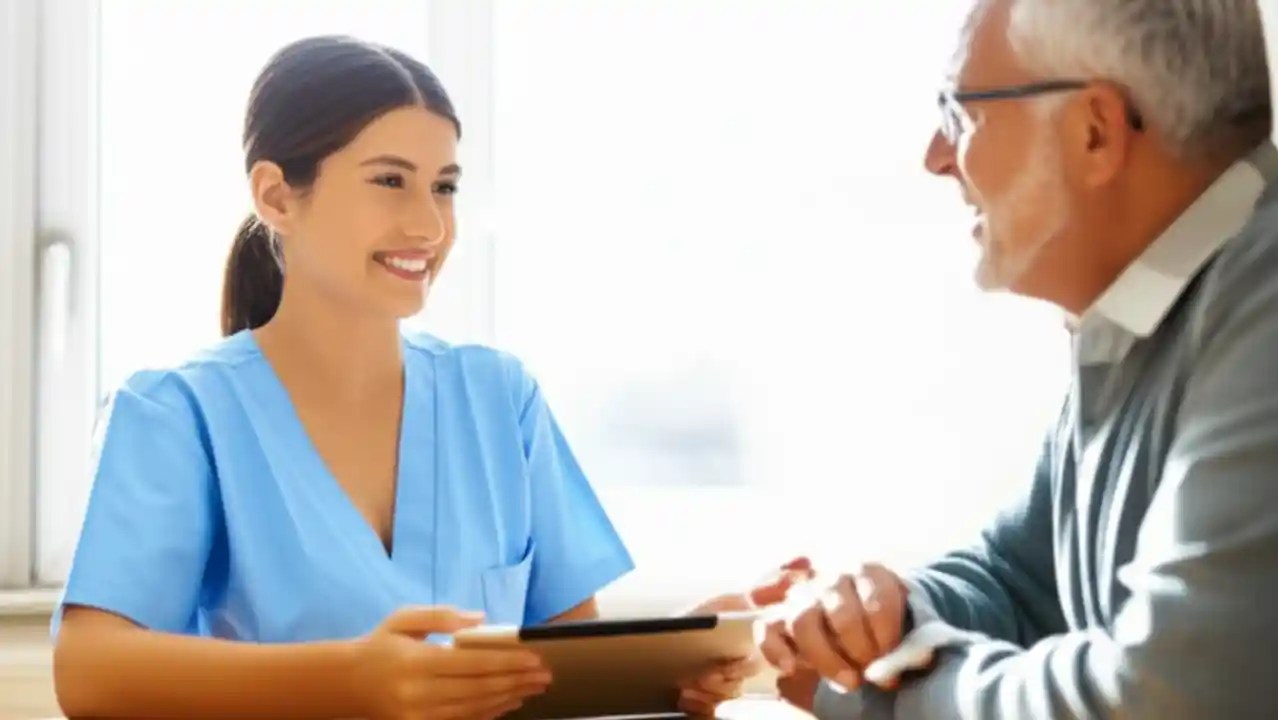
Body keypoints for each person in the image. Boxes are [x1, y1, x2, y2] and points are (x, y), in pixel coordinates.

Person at [50, 35, 766, 720]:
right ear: (275, 195)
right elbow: (91, 669)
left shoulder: (500, 399)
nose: (429, 224)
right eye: (390, 181)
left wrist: (675, 670)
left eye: (445, 187)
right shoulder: (177, 414)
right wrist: (354, 682)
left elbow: (559, 668)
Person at [756, 0, 1278, 718]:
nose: (936, 158)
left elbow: (1170, 699)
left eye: (961, 113)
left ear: (1095, 132)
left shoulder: (1266, 306)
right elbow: (1024, 580)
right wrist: (875, 619)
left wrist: (869, 694)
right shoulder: (1145, 313)